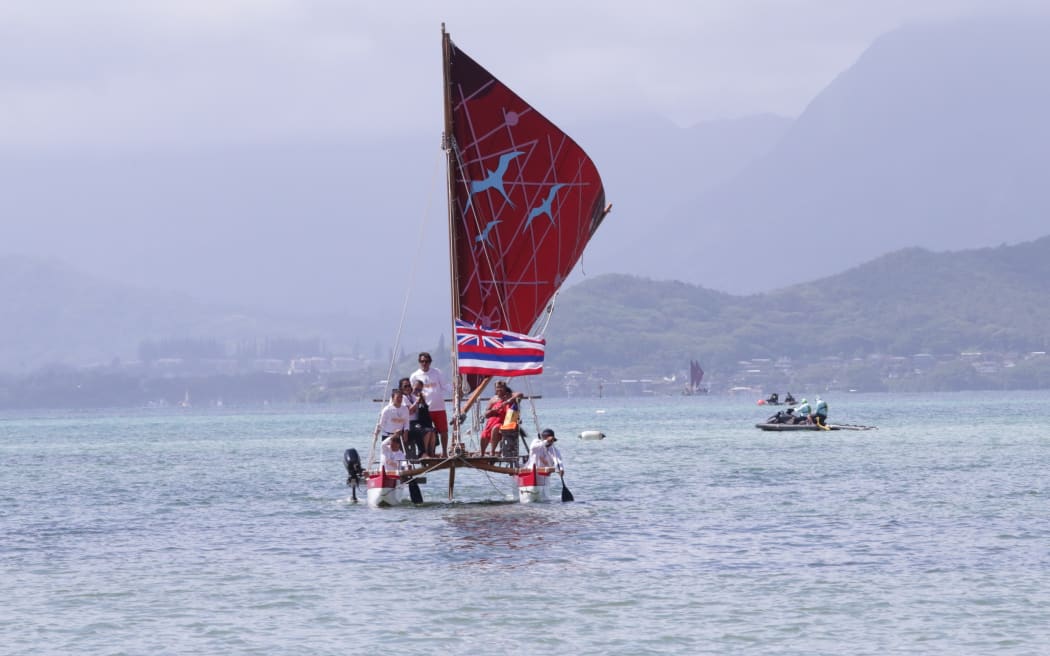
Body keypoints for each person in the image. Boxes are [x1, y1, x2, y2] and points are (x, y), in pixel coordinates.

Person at [410, 352, 452, 457]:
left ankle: (444, 452)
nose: (424, 363)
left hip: (439, 407)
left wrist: (456, 390)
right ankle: (427, 453)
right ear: (419, 362)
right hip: (424, 409)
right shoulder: (414, 375)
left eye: (427, 361)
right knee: (427, 432)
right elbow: (412, 392)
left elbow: (445, 386)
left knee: (443, 431)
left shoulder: (437, 372)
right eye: (422, 361)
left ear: (430, 362)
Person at [480, 381, 524, 456]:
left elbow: (520, 394)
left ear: (505, 388)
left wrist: (507, 402)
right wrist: (493, 410)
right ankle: (482, 454)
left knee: (495, 428)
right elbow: (486, 414)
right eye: (497, 387)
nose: (499, 389)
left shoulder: (509, 395)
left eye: (501, 387)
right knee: (483, 434)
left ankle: (492, 451)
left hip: (505, 422)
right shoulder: (493, 399)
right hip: (492, 422)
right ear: (495, 388)